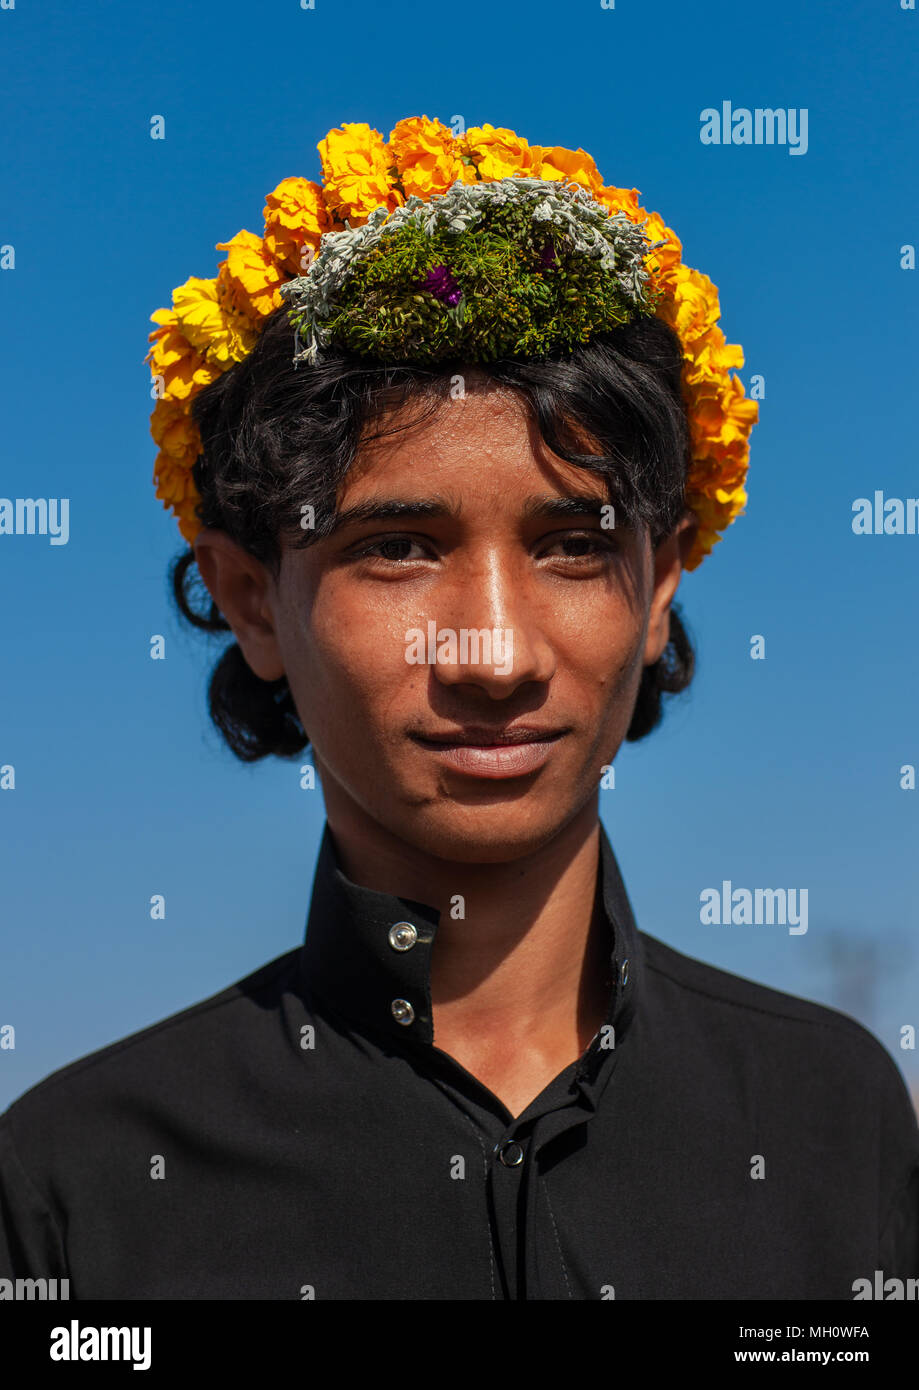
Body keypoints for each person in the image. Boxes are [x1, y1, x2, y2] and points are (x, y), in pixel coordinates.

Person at [1, 118, 916, 1301]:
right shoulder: (80, 1187)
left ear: (662, 586)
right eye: (399, 546)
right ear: (252, 600)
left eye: (574, 546)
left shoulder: (830, 1118)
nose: (492, 651)